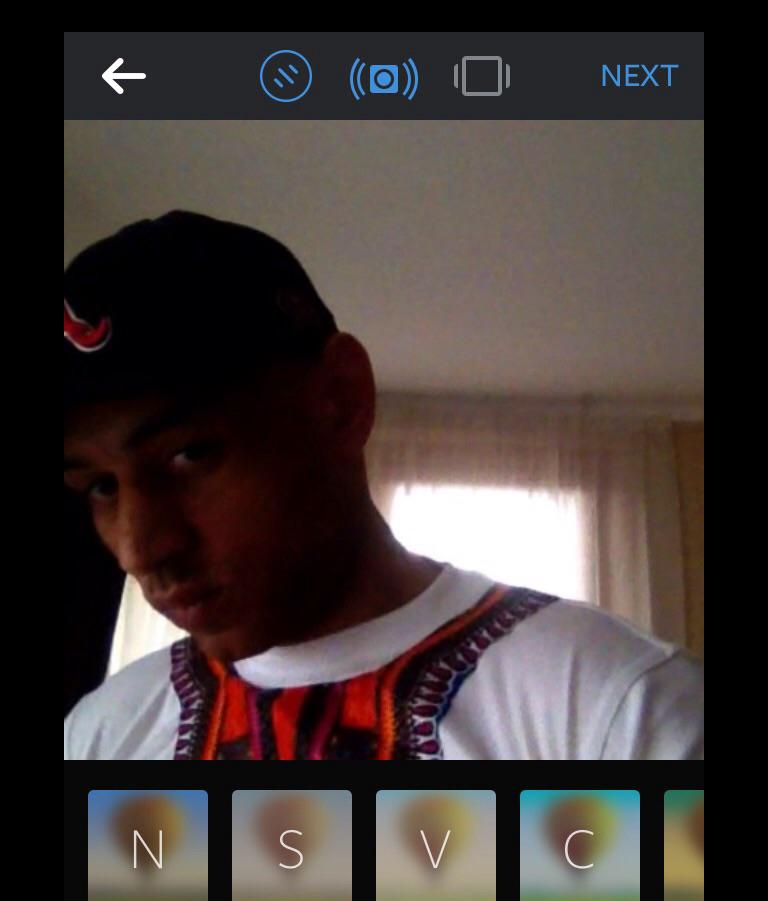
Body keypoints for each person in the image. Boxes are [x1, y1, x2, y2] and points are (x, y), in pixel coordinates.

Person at [63, 211, 703, 761]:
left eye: (189, 454)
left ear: (340, 402)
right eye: (100, 487)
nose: (141, 549)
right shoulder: (100, 734)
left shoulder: (616, 710)